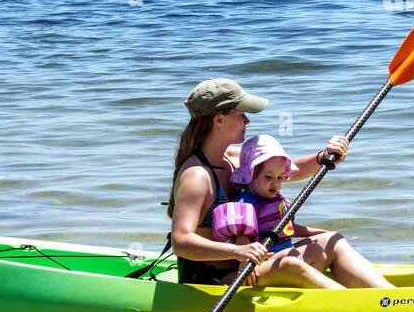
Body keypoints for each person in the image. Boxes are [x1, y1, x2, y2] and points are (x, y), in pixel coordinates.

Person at [167, 78, 395, 288]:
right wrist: (238, 251)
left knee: (331, 241)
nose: (247, 120)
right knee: (290, 265)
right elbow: (181, 241)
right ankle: (363, 307)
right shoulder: (197, 175)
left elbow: (286, 170)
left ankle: (392, 297)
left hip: (253, 265)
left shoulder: (234, 159)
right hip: (219, 281)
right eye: (241, 115)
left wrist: (324, 156)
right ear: (219, 119)